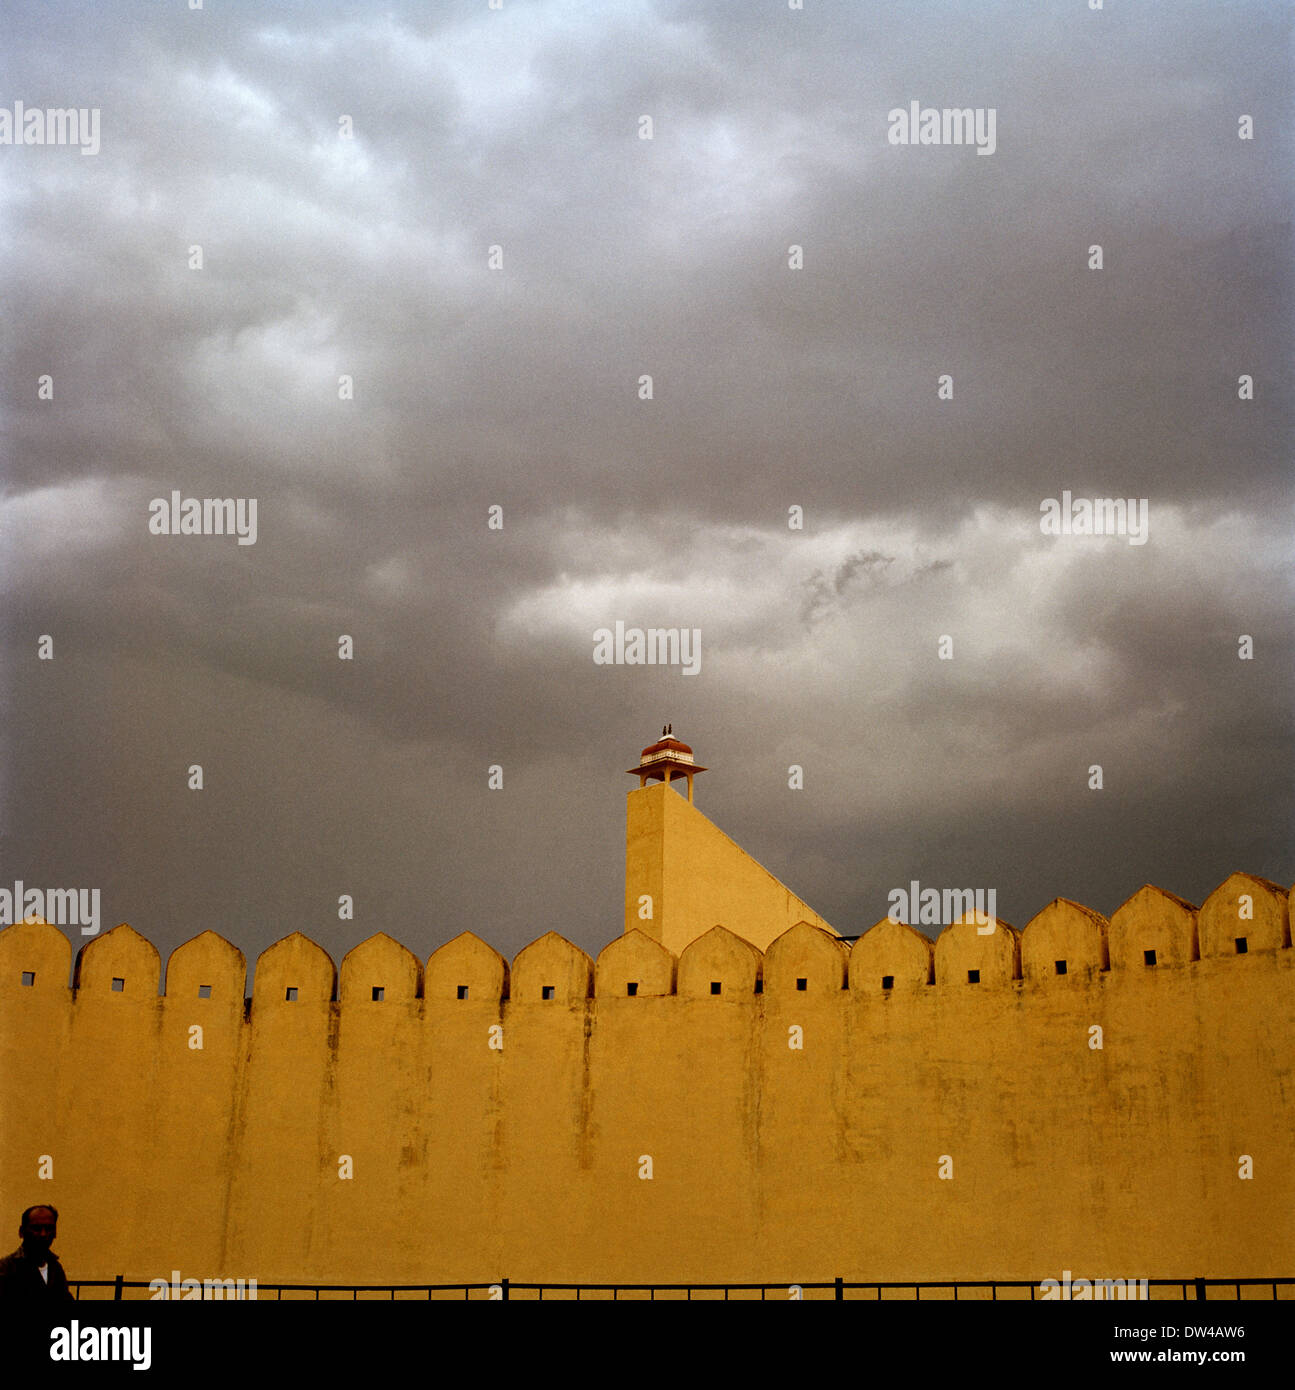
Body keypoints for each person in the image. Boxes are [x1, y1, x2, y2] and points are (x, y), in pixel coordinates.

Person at [0, 1205, 75, 1299]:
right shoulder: (6, 1268)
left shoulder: (55, 1268)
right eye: (36, 1228)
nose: (43, 1234)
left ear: (55, 1233)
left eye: (48, 1228)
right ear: (21, 1232)